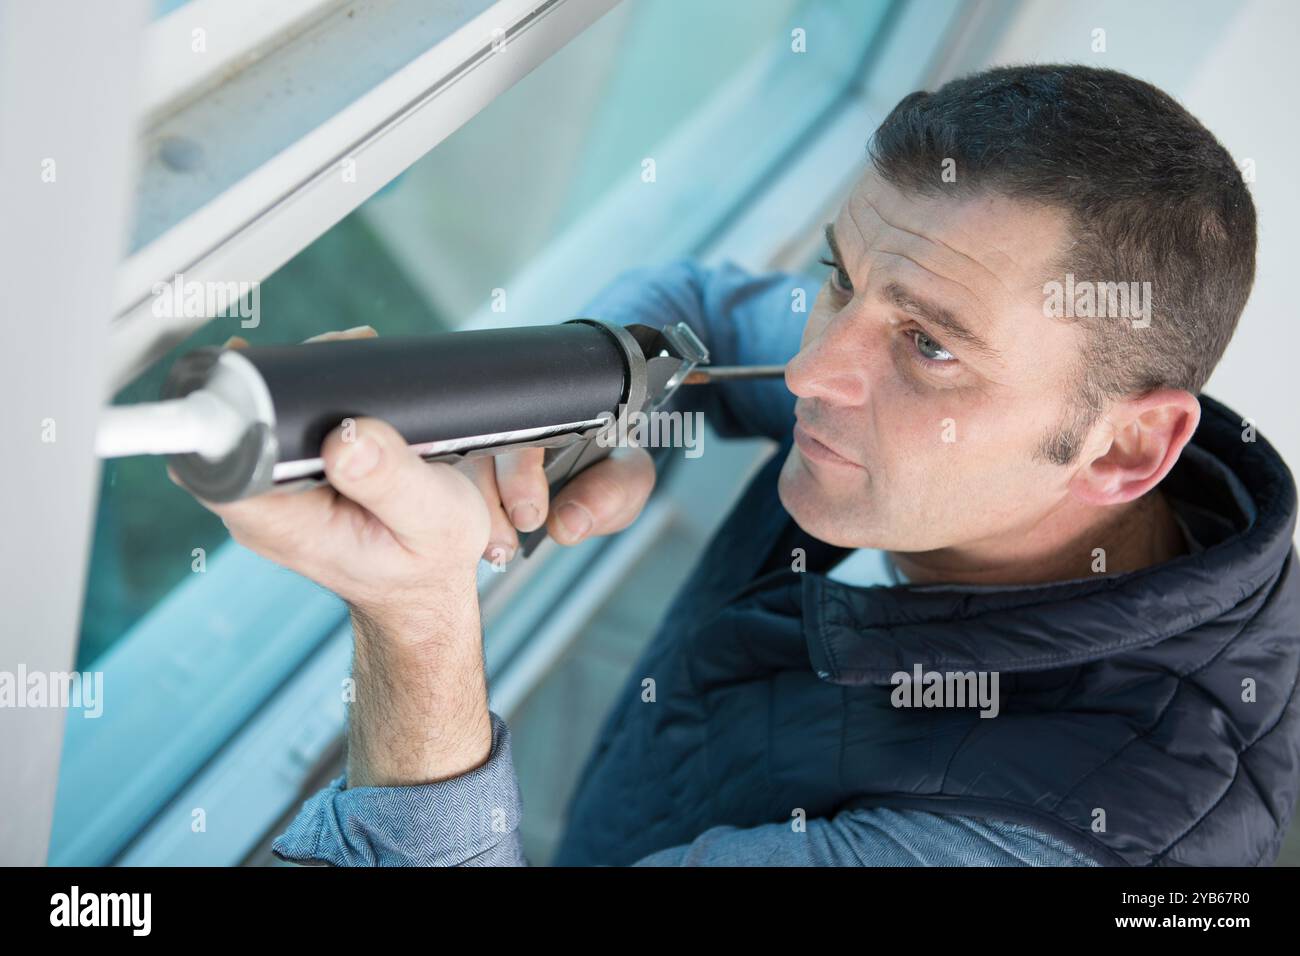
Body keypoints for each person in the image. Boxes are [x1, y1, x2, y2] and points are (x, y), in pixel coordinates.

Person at [191, 65, 1300, 866]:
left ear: (1127, 447)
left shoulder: (1026, 838)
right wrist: (586, 410)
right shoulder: (1018, 409)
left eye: (928, 345)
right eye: (837, 277)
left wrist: (418, 618)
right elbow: (699, 314)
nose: (814, 366)